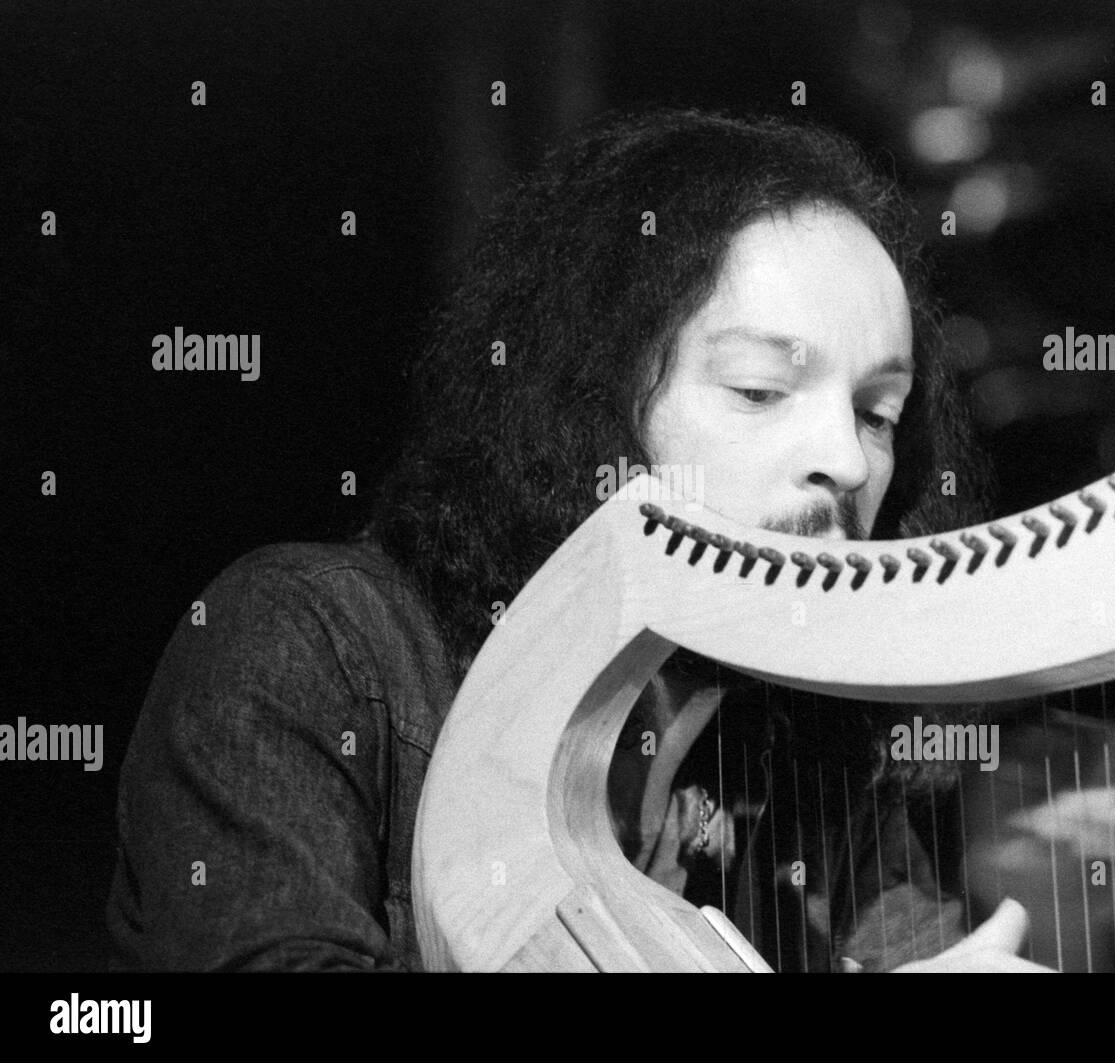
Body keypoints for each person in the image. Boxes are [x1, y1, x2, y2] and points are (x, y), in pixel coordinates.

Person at [106, 107, 1056, 972]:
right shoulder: (308, 643)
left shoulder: (804, 744)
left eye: (878, 412)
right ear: (592, 401)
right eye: (761, 390)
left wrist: (1057, 902)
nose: (847, 462)